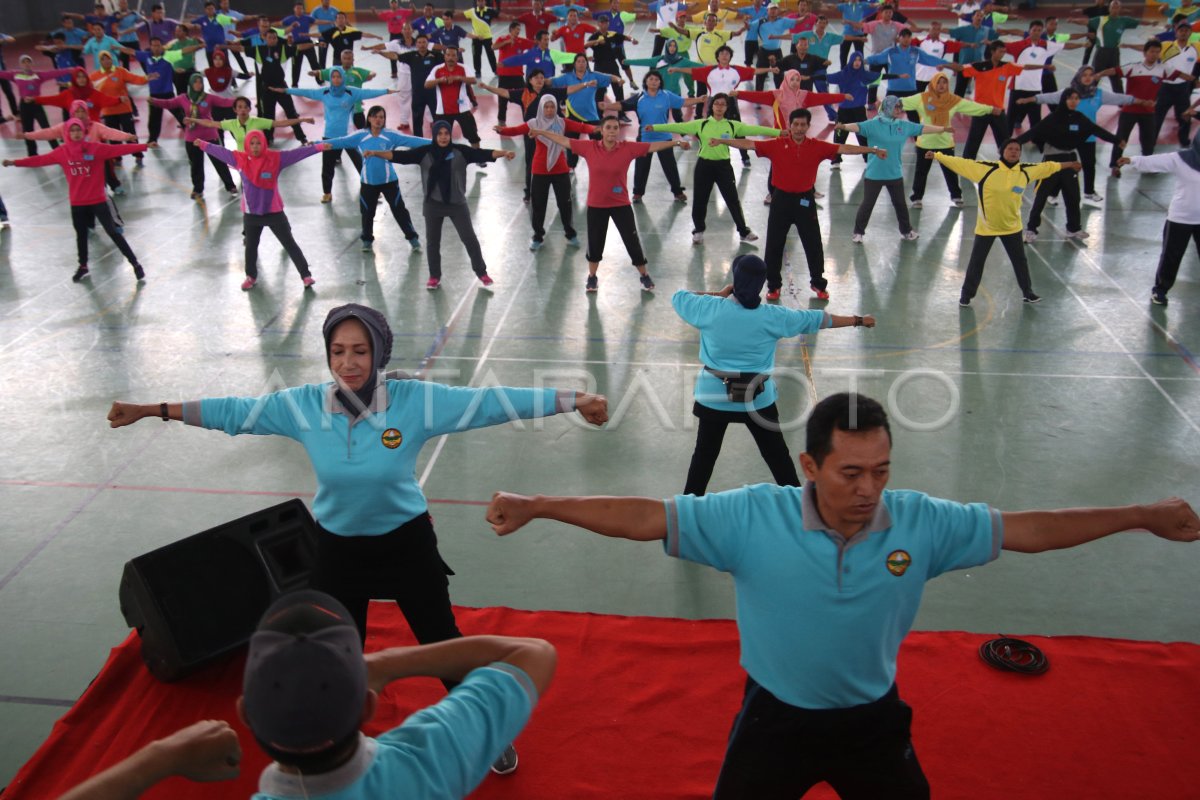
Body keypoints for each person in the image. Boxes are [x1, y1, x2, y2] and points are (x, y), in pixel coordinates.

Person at [484, 391, 1200, 799]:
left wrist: (1138, 516)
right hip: (774, 722)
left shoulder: (921, 522)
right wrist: (542, 502)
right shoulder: (750, 518)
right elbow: (647, 517)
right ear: (809, 464)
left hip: (871, 725)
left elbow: (1027, 530)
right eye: (850, 472)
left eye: (881, 471)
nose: (868, 490)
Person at [106, 302, 606, 775]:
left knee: (443, 640)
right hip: (337, 552)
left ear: (379, 354)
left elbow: (490, 403)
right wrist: (153, 409)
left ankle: (486, 733)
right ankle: (338, 746)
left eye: (360, 351)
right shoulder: (302, 406)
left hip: (406, 545)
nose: (348, 363)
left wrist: (573, 400)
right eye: (338, 351)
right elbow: (236, 413)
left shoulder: (413, 401)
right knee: (337, 654)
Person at [673, 255, 876, 496]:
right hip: (757, 399)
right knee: (778, 459)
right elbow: (819, 319)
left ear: (735, 281)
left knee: (704, 459)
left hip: (713, 398)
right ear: (761, 285)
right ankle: (800, 509)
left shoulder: (709, 309)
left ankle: (686, 512)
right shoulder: (774, 316)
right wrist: (858, 320)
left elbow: (679, 297)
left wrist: (718, 294)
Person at [723, 108, 882, 301]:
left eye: (803, 125)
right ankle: (773, 285)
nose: (799, 128)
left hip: (804, 200)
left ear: (808, 126)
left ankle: (818, 283)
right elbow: (748, 143)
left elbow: (843, 148)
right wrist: (724, 141)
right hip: (780, 199)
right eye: (795, 124)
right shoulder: (777, 144)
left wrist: (871, 150)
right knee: (774, 243)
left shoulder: (817, 146)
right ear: (789, 126)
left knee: (813, 242)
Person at [531, 116, 686, 293]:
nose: (612, 131)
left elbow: (652, 147)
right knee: (595, 243)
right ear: (602, 130)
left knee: (632, 241)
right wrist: (541, 132)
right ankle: (592, 277)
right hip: (596, 205)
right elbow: (564, 140)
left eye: (615, 128)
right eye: (609, 128)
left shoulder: (627, 148)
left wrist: (676, 144)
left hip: (621, 204)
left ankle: (644, 275)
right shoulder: (589, 147)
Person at [364, 120, 516, 290]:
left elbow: (483, 154)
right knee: (433, 242)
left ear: (450, 135)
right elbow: (400, 157)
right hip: (433, 205)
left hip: (457, 204)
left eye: (446, 134)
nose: (443, 137)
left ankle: (482, 272)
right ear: (435, 135)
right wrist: (376, 153)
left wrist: (504, 153)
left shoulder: (460, 152)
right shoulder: (425, 153)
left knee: (469, 239)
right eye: (440, 134)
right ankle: (434, 276)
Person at [929, 141, 1077, 306]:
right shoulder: (986, 169)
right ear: (1002, 151)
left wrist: (1070, 164)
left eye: (1017, 150)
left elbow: (1050, 166)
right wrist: (937, 156)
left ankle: (1027, 292)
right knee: (976, 262)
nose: (1014, 152)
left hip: (1012, 227)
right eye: (1010, 149)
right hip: (987, 228)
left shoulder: (1025, 171)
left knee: (1020, 261)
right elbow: (961, 164)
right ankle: (966, 295)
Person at [2, 118, 147, 284]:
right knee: (81, 235)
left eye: (79, 130)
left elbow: (118, 149)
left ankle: (135, 264)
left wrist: (143, 146)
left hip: (98, 201)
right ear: (67, 133)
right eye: (73, 130)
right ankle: (83, 266)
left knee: (113, 232)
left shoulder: (96, 148)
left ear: (84, 132)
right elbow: (39, 160)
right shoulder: (62, 152)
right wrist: (15, 162)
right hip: (78, 203)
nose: (76, 133)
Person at [195, 132, 328, 290]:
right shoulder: (240, 159)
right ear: (247, 145)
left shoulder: (276, 159)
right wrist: (203, 144)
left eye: (258, 143)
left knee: (289, 243)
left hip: (274, 212)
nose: (255, 147)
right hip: (252, 214)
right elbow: (221, 152)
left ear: (264, 144)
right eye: (252, 144)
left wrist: (319, 147)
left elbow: (297, 154)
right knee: (251, 246)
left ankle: (306, 276)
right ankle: (251, 277)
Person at [651, 92, 778, 244]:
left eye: (723, 104)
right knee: (700, 200)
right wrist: (654, 127)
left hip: (723, 167)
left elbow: (756, 130)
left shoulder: (732, 125)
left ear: (727, 107)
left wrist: (778, 132)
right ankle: (698, 230)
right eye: (716, 104)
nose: (719, 107)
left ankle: (743, 231)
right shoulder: (701, 124)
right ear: (711, 106)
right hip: (704, 166)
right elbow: (678, 126)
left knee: (732, 200)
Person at [1016, 65, 1145, 202]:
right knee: (1060, 166)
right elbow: (1047, 98)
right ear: (1078, 77)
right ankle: (1052, 193)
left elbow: (1119, 99)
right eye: (1084, 75)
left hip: (1087, 136)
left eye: (1091, 75)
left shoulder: (1098, 94)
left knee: (1089, 164)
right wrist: (1028, 100)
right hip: (1065, 138)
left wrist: (1140, 101)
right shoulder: (1067, 93)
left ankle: (1089, 192)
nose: (1088, 78)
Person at [1015, 88, 1122, 241]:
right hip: (1051, 162)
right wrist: (1013, 143)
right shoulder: (1053, 118)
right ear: (1064, 100)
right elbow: (1034, 132)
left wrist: (1117, 140)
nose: (1073, 101)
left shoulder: (1079, 118)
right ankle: (1031, 228)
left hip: (1070, 160)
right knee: (1041, 196)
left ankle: (1073, 228)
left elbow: (1096, 130)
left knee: (1073, 196)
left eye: (1076, 98)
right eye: (1070, 98)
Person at [839, 95, 949, 242]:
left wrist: (942, 129)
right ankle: (858, 232)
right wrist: (844, 126)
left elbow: (922, 128)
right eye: (896, 106)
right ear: (887, 107)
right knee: (867, 204)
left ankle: (907, 231)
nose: (899, 109)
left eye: (900, 106)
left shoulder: (903, 126)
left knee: (900, 205)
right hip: (874, 174)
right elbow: (858, 126)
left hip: (894, 173)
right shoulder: (873, 124)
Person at [325, 105, 429, 251]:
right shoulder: (360, 135)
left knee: (399, 211)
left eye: (381, 117)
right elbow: (341, 141)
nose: (378, 120)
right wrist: (317, 145)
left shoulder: (390, 135)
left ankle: (412, 238)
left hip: (389, 182)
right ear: (369, 118)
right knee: (367, 212)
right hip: (368, 183)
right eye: (375, 116)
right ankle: (367, 239)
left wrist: (435, 143)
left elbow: (412, 141)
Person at [281, 66, 393, 203]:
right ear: (330, 78)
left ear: (343, 78)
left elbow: (368, 92)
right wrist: (286, 90)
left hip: (348, 136)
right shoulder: (325, 92)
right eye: (333, 77)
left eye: (338, 76)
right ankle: (327, 193)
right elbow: (306, 91)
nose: (336, 79)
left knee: (361, 163)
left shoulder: (351, 92)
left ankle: (372, 189)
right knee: (327, 166)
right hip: (329, 136)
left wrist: (386, 91)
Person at [496, 94, 593, 249]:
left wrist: (597, 128)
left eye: (552, 107)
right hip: (540, 170)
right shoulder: (534, 123)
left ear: (556, 107)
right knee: (538, 206)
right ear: (541, 108)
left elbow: (581, 127)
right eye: (546, 107)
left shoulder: (562, 122)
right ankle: (538, 236)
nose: (549, 110)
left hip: (561, 170)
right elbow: (516, 130)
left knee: (565, 204)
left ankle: (570, 234)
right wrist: (503, 131)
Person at [901, 70, 1001, 209]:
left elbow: (972, 107)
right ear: (933, 83)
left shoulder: (953, 100)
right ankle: (917, 197)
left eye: (945, 82)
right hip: (925, 142)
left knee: (950, 171)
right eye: (939, 82)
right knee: (921, 171)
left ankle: (956, 195)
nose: (942, 85)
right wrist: (885, 104)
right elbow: (902, 102)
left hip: (945, 143)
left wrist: (990, 109)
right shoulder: (922, 98)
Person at [1117, 139, 1200, 305]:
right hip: (1180, 218)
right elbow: (1157, 161)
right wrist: (1132, 160)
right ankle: (1160, 290)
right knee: (1171, 256)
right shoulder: (1181, 159)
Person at [603, 71, 705, 204]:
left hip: (664, 138)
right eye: (650, 79)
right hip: (645, 139)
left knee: (670, 167)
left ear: (660, 82)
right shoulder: (639, 97)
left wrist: (698, 99)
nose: (653, 81)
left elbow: (682, 102)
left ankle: (677, 192)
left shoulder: (666, 96)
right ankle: (638, 193)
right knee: (641, 168)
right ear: (646, 81)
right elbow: (622, 105)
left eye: (656, 79)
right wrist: (607, 106)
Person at [149, 75, 239, 200]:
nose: (198, 85)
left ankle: (230, 186)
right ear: (191, 84)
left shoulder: (208, 97)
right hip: (192, 138)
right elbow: (169, 103)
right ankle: (198, 189)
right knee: (196, 165)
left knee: (219, 162)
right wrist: (154, 101)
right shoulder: (183, 98)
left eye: (200, 82)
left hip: (209, 136)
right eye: (195, 83)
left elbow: (224, 102)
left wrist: (240, 101)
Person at [231, 27, 317, 146]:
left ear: (277, 39)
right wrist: (224, 47)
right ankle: (268, 138)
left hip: (281, 88)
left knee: (291, 113)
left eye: (275, 38)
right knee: (268, 117)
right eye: (270, 37)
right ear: (265, 39)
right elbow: (240, 48)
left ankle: (302, 138)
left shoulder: (283, 49)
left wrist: (316, 44)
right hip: (266, 89)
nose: (272, 39)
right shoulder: (258, 50)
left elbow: (299, 47)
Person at [1108, 40, 1170, 177]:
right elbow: (1114, 70)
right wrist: (1097, 74)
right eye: (1151, 51)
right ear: (1145, 53)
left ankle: (1148, 165)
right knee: (1121, 139)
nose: (1154, 54)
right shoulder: (1134, 67)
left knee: (1148, 140)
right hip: (1129, 111)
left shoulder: (1162, 69)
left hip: (1149, 113)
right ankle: (1115, 165)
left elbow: (1177, 78)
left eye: (1157, 52)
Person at [0, 55, 73, 156]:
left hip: (37, 104)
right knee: (28, 130)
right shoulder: (15, 75)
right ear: (21, 64)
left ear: (31, 63)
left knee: (46, 129)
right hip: (24, 106)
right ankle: (32, 154)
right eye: (24, 62)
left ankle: (59, 152)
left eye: (28, 61)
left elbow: (53, 73)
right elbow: (2, 74)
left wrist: (69, 70)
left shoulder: (38, 75)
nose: (26, 64)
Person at [187, 95, 313, 151]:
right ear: (235, 110)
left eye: (245, 107)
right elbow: (210, 123)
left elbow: (280, 123)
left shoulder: (258, 122)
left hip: (259, 159)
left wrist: (301, 120)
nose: (242, 110)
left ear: (249, 109)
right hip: (242, 162)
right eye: (239, 107)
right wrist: (193, 120)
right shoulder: (231, 124)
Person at [426, 45, 484, 148]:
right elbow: (426, 84)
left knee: (472, 135)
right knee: (441, 138)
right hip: (442, 111)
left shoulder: (463, 68)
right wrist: (439, 80)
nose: (450, 58)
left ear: (457, 57)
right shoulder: (437, 69)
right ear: (445, 56)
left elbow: (473, 80)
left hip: (462, 109)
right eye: (448, 55)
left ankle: (478, 156)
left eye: (453, 55)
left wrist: (458, 78)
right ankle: (442, 160)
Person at [135, 37, 186, 148]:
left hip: (168, 93)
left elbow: (183, 51)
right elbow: (130, 51)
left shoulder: (168, 56)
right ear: (150, 46)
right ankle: (152, 140)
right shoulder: (146, 56)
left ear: (161, 46)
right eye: (154, 45)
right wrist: (116, 46)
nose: (156, 47)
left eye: (158, 45)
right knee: (154, 119)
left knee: (179, 114)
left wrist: (198, 46)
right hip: (154, 95)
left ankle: (190, 131)